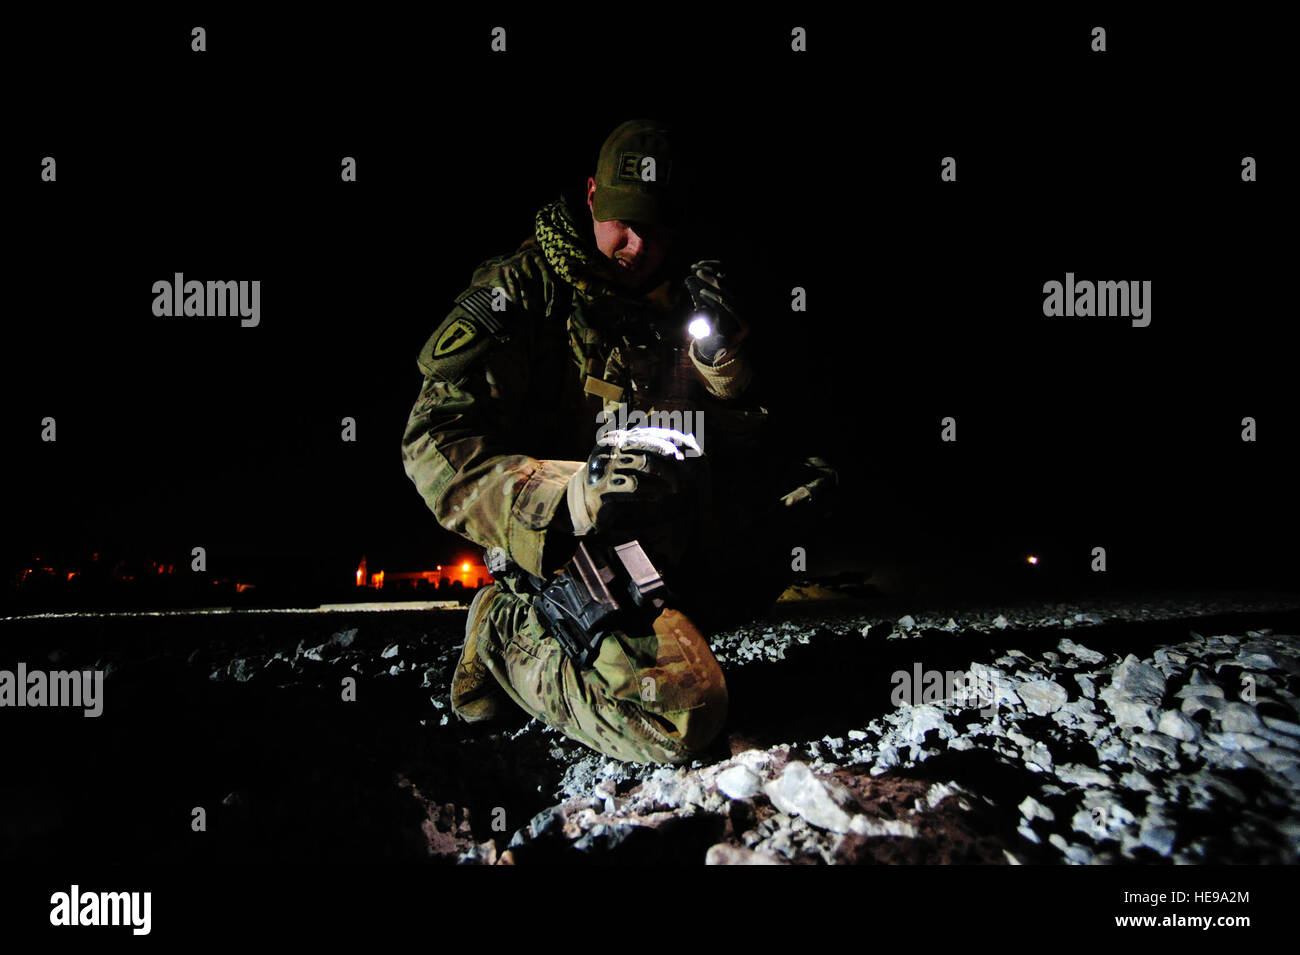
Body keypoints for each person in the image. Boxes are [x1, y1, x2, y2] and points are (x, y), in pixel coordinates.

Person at [401, 119, 834, 764]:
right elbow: (434, 441)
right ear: (592, 198)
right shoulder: (521, 291)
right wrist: (567, 496)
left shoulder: (691, 296)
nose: (637, 246)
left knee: (808, 485)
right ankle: (505, 628)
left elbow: (747, 441)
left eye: (657, 228)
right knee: (685, 718)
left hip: (654, 534)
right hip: (558, 547)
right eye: (622, 224)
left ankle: (648, 631)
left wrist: (728, 374)